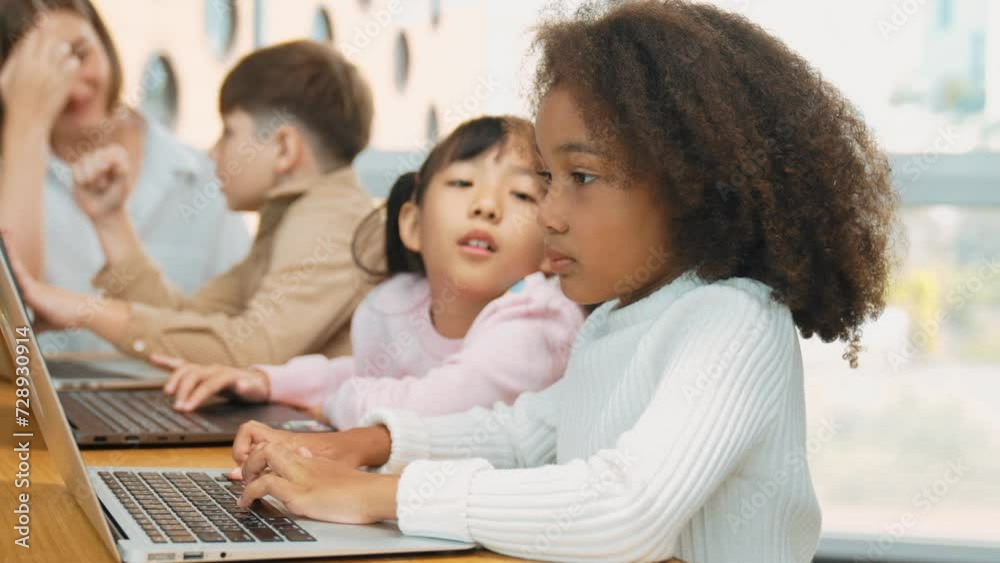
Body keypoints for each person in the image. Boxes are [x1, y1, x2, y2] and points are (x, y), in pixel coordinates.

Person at [223, 2, 901, 562]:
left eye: (580, 177)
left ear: (690, 184)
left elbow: (624, 506)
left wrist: (374, 494)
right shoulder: (613, 319)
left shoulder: (733, 319)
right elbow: (522, 437)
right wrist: (351, 446)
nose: (547, 213)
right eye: (546, 178)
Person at [156, 116, 584, 430]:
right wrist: (264, 380)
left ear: (551, 245)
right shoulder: (398, 302)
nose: (486, 205)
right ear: (413, 224)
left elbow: (441, 406)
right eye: (462, 184)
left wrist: (336, 403)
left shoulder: (539, 322)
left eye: (523, 194)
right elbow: (365, 374)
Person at [11, 39, 380, 366]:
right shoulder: (292, 219)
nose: (214, 152)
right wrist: (111, 220)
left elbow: (251, 351)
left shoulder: (331, 222)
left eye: (229, 132)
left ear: (284, 148)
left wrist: (84, 311)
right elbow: (183, 321)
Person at [0, 0, 249, 354]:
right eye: (44, 72)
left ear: (104, 43)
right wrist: (25, 123)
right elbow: (11, 323)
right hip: (40, 407)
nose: (74, 86)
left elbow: (241, 332)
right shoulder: (13, 181)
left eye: (80, 53)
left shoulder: (205, 176)